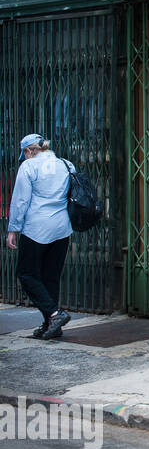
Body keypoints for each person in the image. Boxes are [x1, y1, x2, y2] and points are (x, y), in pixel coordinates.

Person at [5, 133, 74, 340]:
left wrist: (12, 229)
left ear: (28, 151)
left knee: (26, 274)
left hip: (36, 229)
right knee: (50, 276)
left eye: (24, 154)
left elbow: (20, 201)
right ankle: (51, 325)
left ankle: (54, 315)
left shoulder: (28, 167)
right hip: (62, 228)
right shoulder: (66, 164)